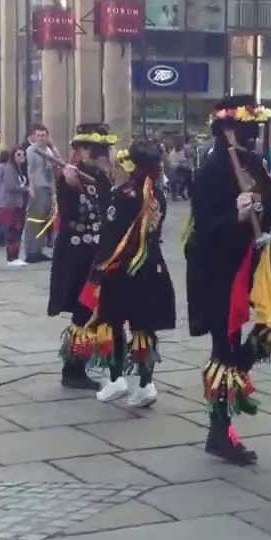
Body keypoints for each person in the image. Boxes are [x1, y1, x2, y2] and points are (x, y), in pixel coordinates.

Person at [188, 95, 271, 465]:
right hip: (221, 273)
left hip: (255, 264)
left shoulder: (252, 164)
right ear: (229, 129)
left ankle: (241, 364)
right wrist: (235, 216)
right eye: (248, 128)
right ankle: (219, 432)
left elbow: (269, 210)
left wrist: (263, 216)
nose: (254, 135)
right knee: (223, 348)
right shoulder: (210, 172)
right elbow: (203, 234)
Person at [77, 140, 176, 408]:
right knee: (144, 327)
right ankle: (146, 383)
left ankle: (116, 378)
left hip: (121, 268)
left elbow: (111, 235)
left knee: (112, 322)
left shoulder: (124, 194)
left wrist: (99, 267)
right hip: (152, 266)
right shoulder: (157, 193)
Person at [50, 125, 116, 392]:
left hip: (97, 251)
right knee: (83, 309)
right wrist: (72, 186)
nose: (103, 155)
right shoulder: (71, 176)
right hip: (79, 253)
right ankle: (73, 368)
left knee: (92, 310)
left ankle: (82, 365)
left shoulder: (101, 175)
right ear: (83, 150)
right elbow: (69, 214)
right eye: (96, 150)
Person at [23, 124, 57, 264]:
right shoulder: (31, 150)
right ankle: (31, 251)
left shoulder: (48, 150)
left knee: (43, 220)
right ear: (34, 137)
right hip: (37, 186)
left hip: (48, 187)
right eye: (39, 135)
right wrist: (31, 186)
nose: (41, 138)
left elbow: (54, 168)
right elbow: (29, 170)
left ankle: (39, 249)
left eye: (44, 135)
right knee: (34, 220)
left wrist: (53, 147)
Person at [0, 148, 30, 266]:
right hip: (12, 204)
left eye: (23, 154)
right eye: (18, 154)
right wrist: (26, 188)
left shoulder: (18, 169)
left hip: (20, 203)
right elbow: (10, 186)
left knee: (18, 229)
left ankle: (15, 256)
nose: (21, 156)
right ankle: (11, 258)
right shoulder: (10, 168)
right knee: (13, 229)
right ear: (13, 156)